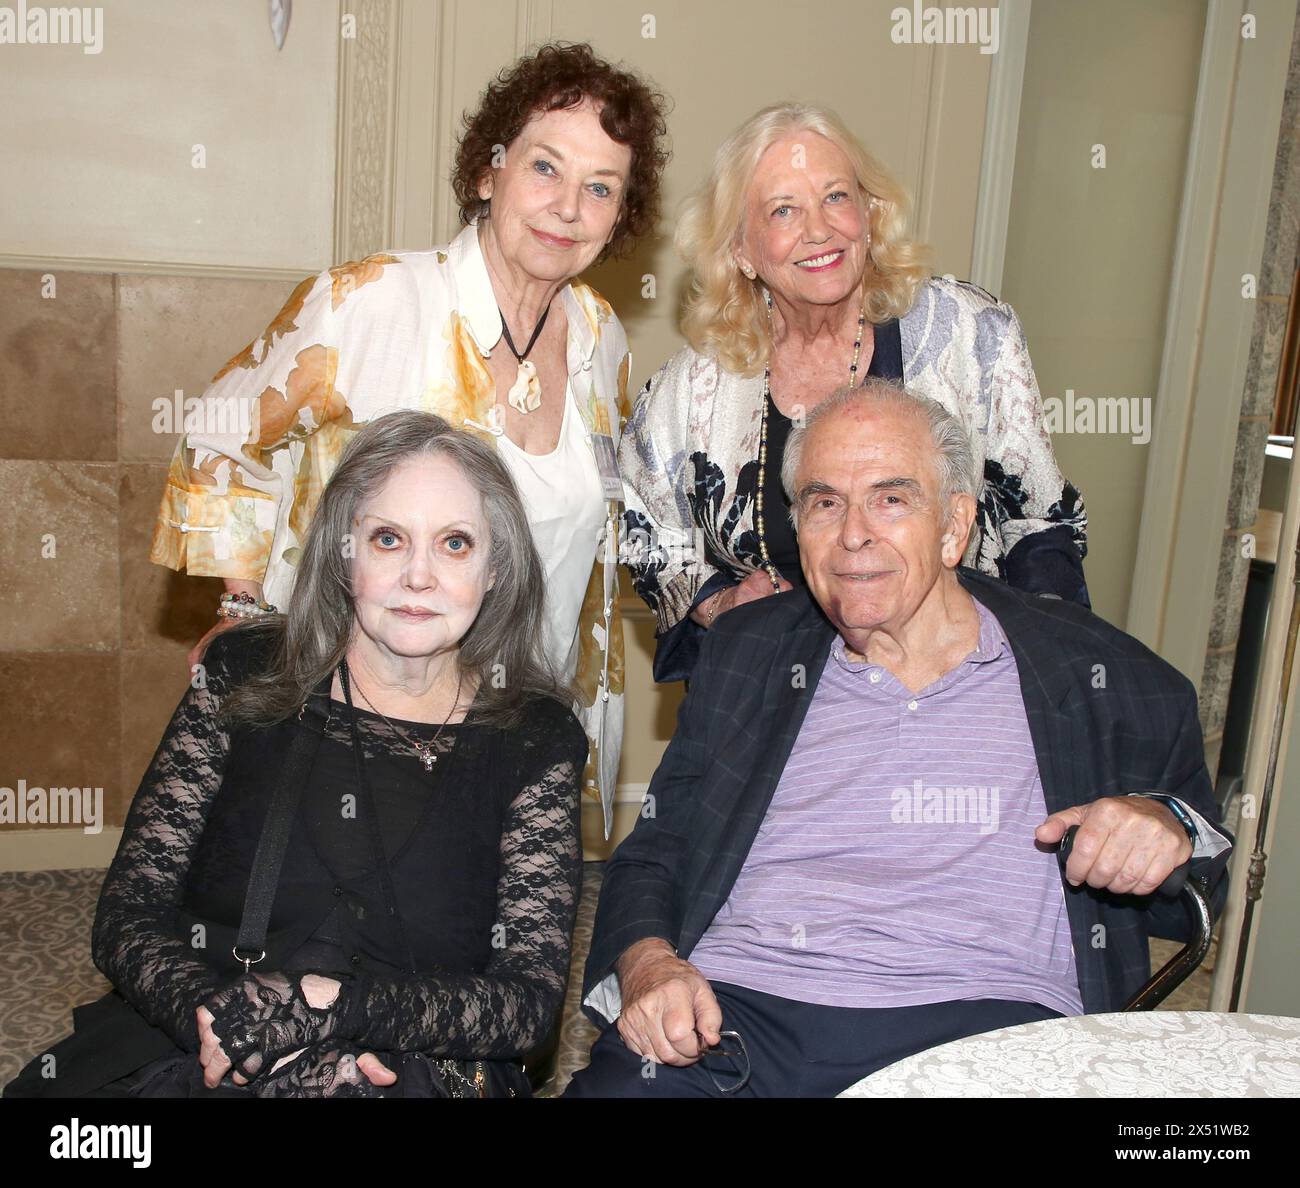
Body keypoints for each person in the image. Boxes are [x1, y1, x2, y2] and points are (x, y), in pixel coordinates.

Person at [565, 380, 1231, 1098]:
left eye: (891, 498)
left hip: (983, 1031)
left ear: (954, 526)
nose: (854, 535)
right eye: (825, 502)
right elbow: (654, 852)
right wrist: (649, 965)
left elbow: (1195, 884)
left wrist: (1167, 825)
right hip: (733, 1020)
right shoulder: (748, 652)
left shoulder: (1098, 674)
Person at [149, 41, 669, 832]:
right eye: (545, 168)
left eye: (600, 187)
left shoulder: (603, 342)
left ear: (621, 215)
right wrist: (244, 608)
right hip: (349, 713)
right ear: (488, 172)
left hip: (517, 730)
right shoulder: (374, 300)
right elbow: (222, 432)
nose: (568, 207)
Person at [5, 412, 587, 1098]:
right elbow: (128, 914)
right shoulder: (243, 675)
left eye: (455, 543)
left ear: (496, 570)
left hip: (413, 1062)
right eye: (388, 538)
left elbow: (526, 1004)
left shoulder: (535, 737)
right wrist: (240, 1026)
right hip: (199, 1034)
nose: (419, 576)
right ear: (345, 556)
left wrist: (323, 1012)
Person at [620, 102, 1089, 684]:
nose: (819, 229)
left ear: (869, 212)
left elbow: (1039, 522)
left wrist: (1054, 677)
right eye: (783, 209)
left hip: (961, 682)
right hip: (771, 697)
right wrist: (719, 604)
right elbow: (644, 529)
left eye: (836, 197)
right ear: (740, 250)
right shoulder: (690, 389)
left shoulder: (970, 332)